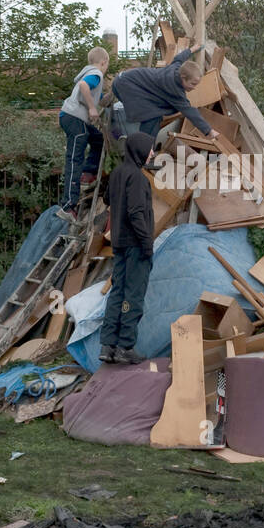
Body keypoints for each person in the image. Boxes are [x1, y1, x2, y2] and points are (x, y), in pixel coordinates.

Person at [99, 131, 157, 365]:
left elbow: (106, 199)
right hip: (135, 244)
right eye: (150, 149)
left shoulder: (117, 173)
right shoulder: (138, 177)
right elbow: (136, 213)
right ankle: (125, 346)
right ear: (140, 151)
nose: (152, 153)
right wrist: (147, 243)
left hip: (120, 243)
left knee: (118, 292)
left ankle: (107, 346)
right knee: (133, 294)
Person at [110, 45, 221, 142]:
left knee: (156, 114)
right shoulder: (174, 88)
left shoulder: (176, 68)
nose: (194, 88)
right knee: (150, 116)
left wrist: (192, 49)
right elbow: (189, 111)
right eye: (193, 84)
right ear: (183, 77)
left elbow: (178, 58)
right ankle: (143, 154)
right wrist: (209, 131)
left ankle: (146, 152)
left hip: (122, 80)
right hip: (127, 86)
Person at [58, 46, 110, 222]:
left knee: (99, 140)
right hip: (75, 119)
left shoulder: (90, 73)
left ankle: (89, 172)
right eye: (106, 65)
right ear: (104, 62)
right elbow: (83, 86)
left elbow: (101, 98)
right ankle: (68, 206)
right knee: (74, 158)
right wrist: (92, 108)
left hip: (72, 118)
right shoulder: (96, 74)